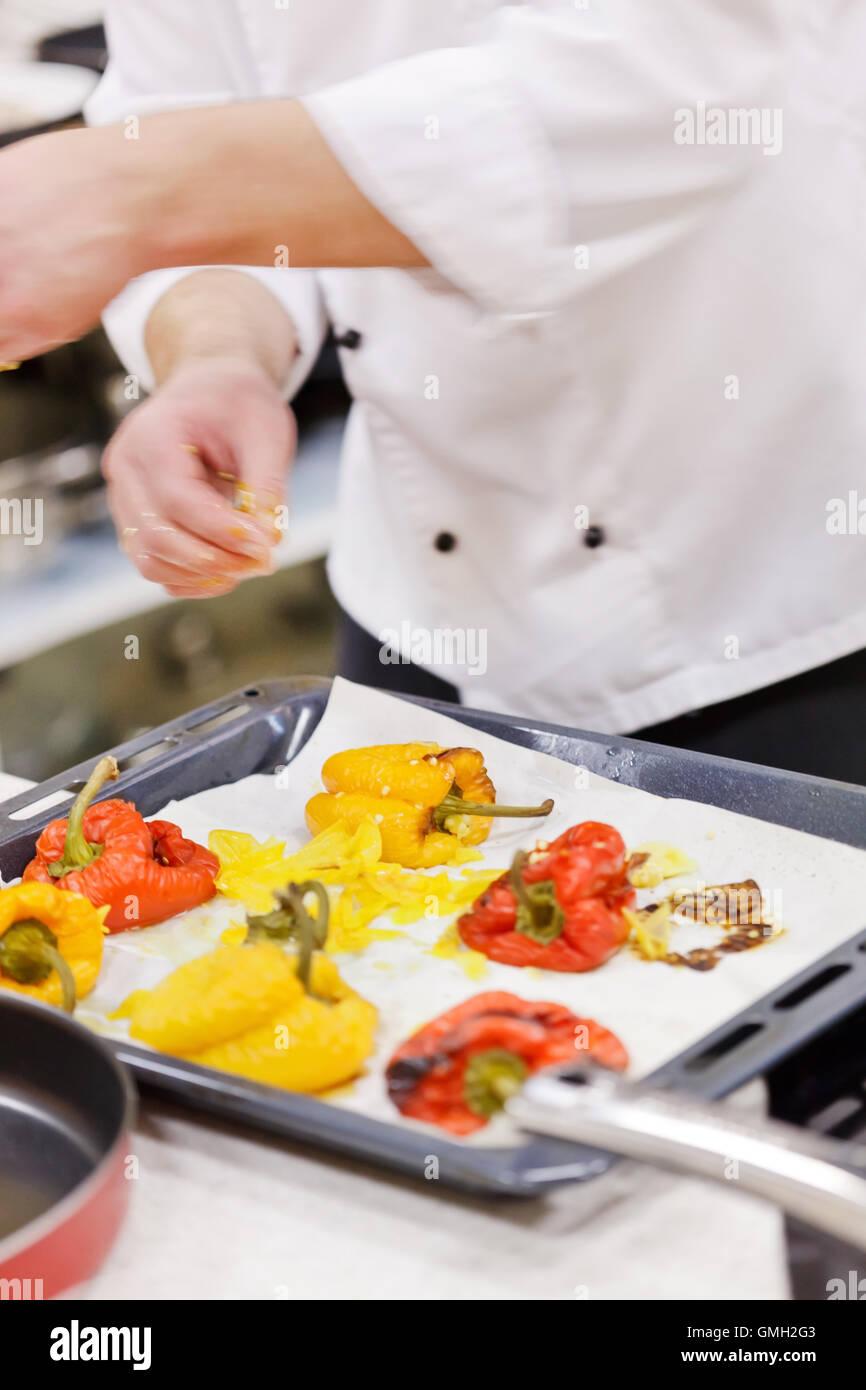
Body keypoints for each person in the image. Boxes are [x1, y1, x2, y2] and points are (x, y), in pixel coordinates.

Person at [0, 1, 864, 779]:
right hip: (422, 599)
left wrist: (115, 192)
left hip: (777, 592)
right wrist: (219, 358)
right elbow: (180, 112)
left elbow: (678, 89)